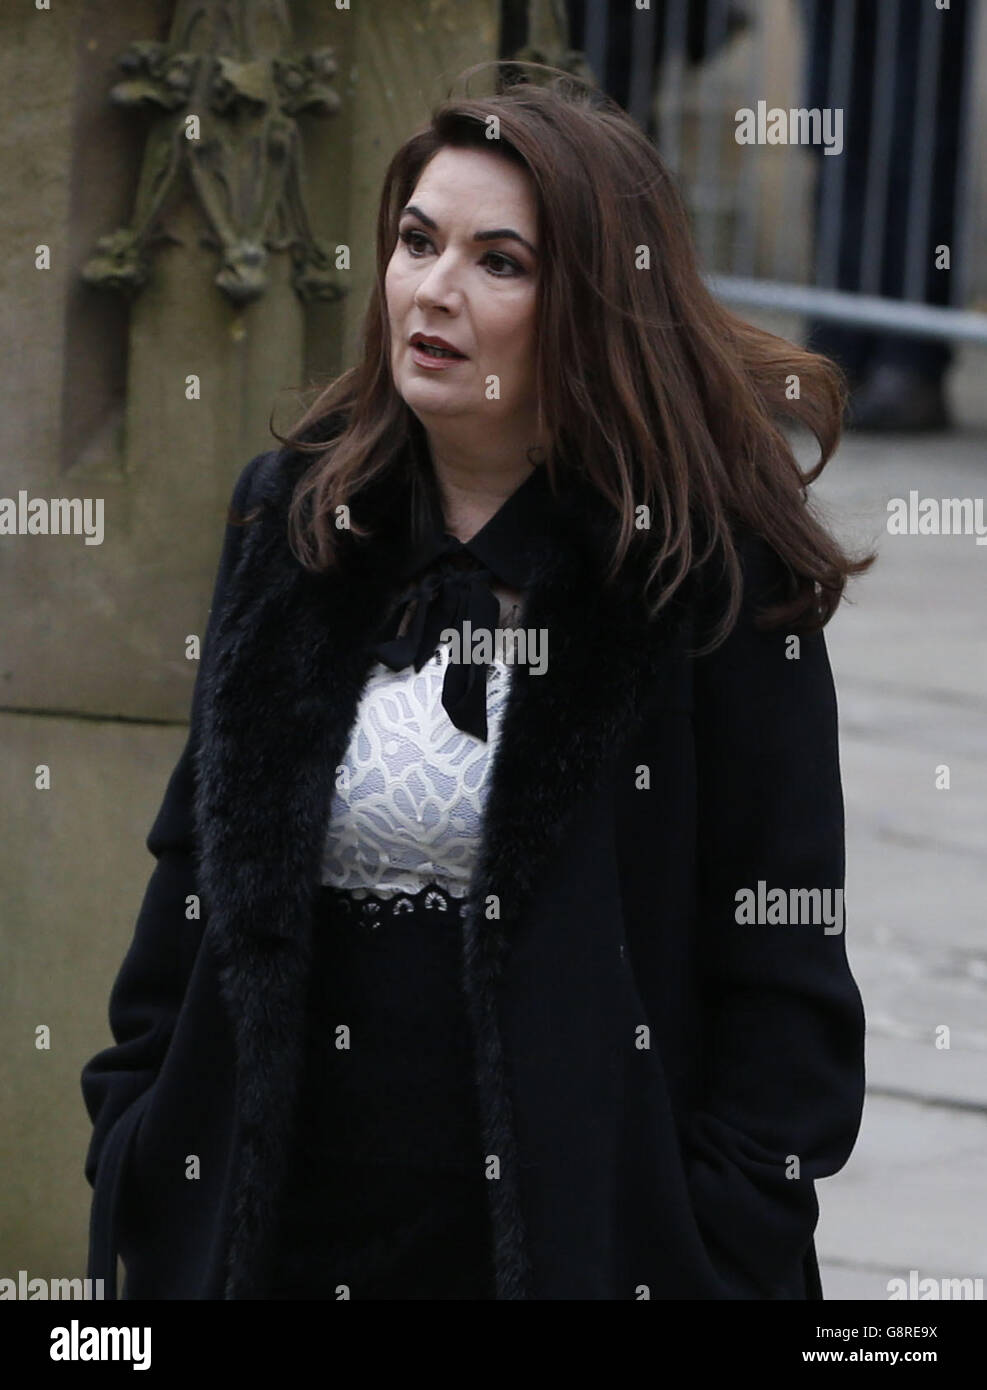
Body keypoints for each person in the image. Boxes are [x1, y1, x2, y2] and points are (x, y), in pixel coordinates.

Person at [80, 63, 871, 1301]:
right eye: (415, 240)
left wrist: (707, 1247)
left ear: (596, 307)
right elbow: (191, 877)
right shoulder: (295, 516)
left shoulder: (709, 579)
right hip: (276, 1247)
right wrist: (135, 1134)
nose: (431, 291)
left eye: (499, 261)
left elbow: (784, 988)